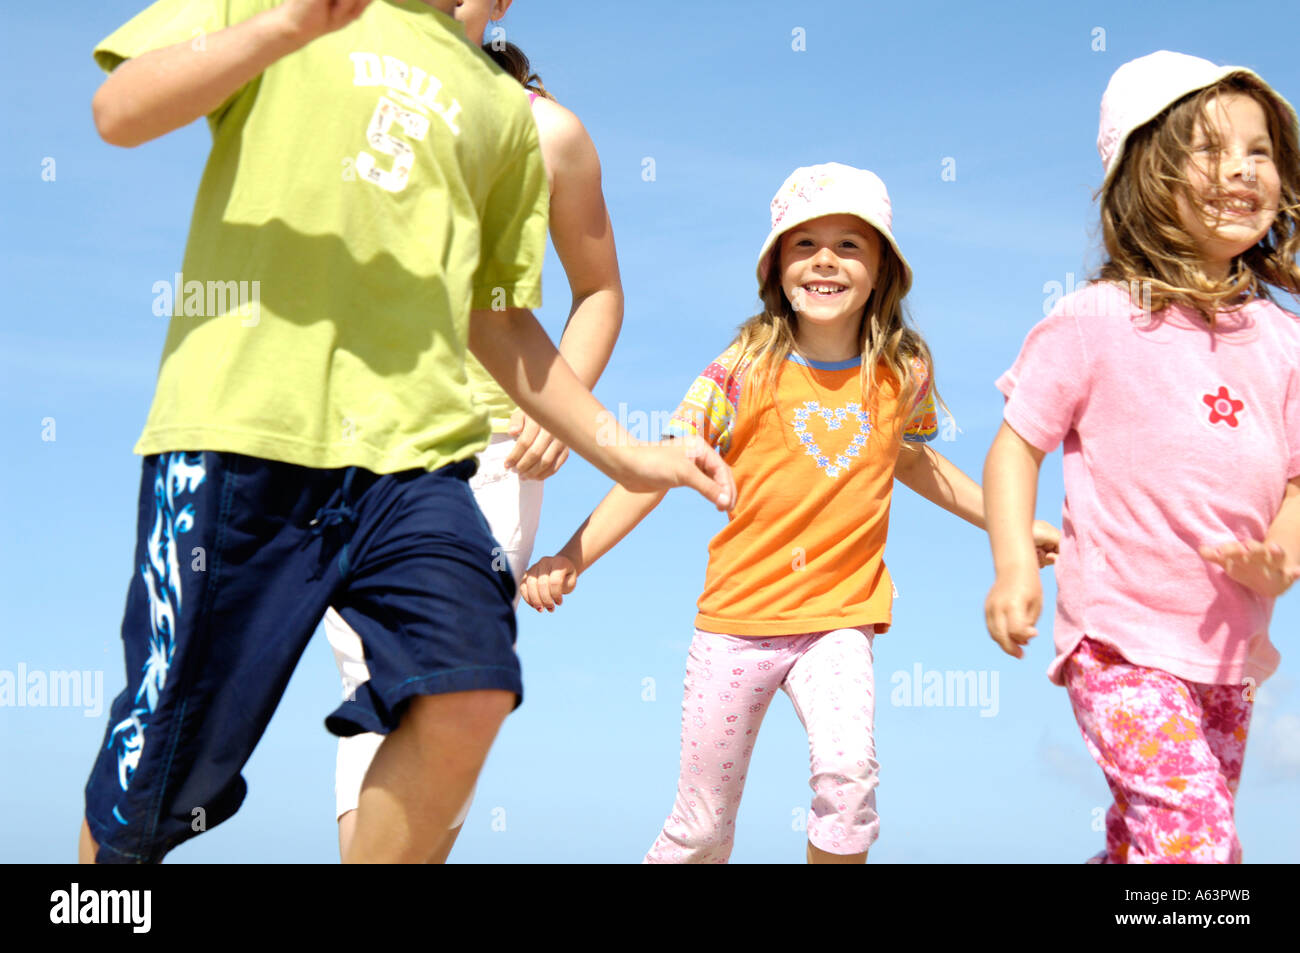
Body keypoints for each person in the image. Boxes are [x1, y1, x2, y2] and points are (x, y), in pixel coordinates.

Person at [81, 0, 732, 864]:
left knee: (470, 685)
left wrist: (624, 448)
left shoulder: (502, 111)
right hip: (241, 439)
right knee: (162, 761)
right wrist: (288, 27)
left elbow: (495, 320)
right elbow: (118, 111)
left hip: (415, 464)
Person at [522, 163, 1059, 863]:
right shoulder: (742, 367)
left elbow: (912, 460)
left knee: (849, 786)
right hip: (735, 624)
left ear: (882, 272)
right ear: (776, 267)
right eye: (804, 245)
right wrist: (571, 555)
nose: (825, 261)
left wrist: (1009, 524)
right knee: (702, 828)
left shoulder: (903, 370)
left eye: (850, 245)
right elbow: (656, 472)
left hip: (840, 618)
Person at [322, 0, 626, 862]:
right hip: (344, 434)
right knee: (374, 682)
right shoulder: (341, 79)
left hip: (489, 444)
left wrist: (556, 405)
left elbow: (599, 291)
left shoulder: (548, 130)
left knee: (439, 684)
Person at [984, 51, 1300, 863]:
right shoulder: (1094, 321)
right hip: (1118, 641)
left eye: (1259, 151)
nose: (1241, 170)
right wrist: (1015, 563)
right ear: (1147, 175)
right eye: (1210, 149)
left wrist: (1282, 557)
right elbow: (1017, 446)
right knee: (1197, 846)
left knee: (1148, 845)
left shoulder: (1283, 343)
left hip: (1228, 654)